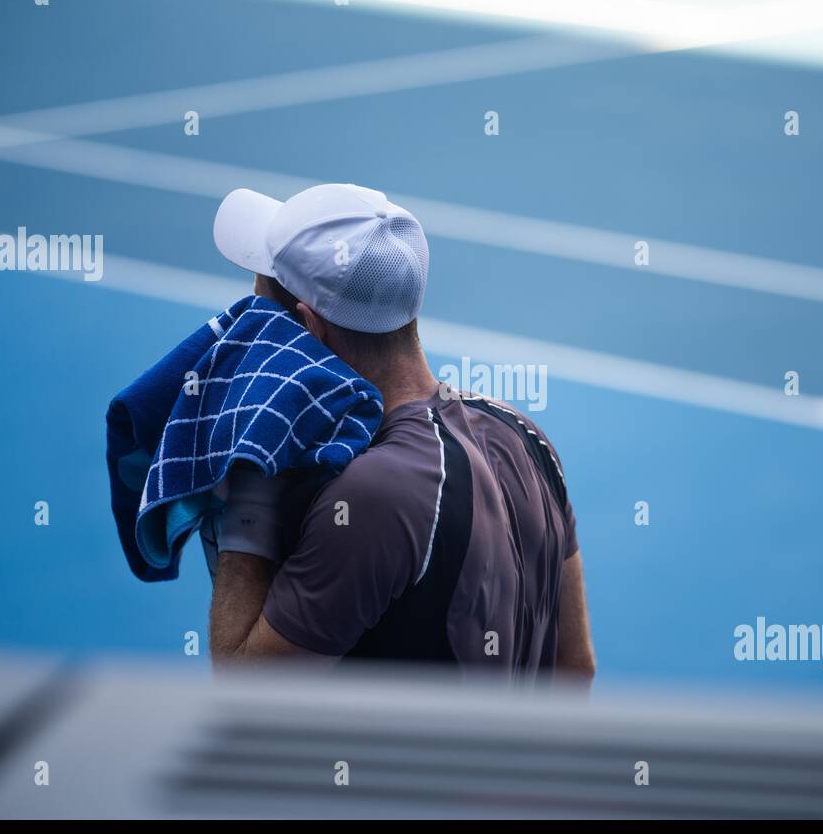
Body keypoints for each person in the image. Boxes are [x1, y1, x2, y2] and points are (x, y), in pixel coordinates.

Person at [206, 184, 595, 684]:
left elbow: (244, 689)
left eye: (260, 305)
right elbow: (575, 670)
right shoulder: (526, 437)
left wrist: (249, 496)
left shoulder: (374, 497)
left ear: (307, 327)